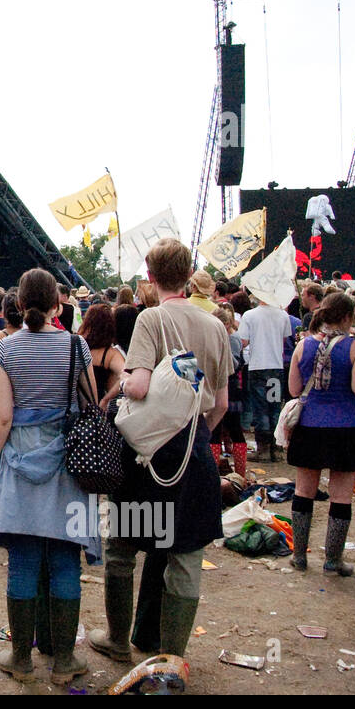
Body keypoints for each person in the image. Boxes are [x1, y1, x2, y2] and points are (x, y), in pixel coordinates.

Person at [89, 239, 231, 665]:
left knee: (122, 549)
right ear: (190, 275)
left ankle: (117, 640)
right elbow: (221, 402)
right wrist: (192, 432)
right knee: (185, 556)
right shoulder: (216, 326)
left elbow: (138, 386)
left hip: (147, 457)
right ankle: (171, 660)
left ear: (150, 276)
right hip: (195, 451)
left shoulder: (152, 318)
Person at [0, 268, 100, 685]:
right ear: (58, 304)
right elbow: (91, 404)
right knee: (65, 559)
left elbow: (3, 416)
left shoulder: (5, 350)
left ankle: (20, 658)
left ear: (16, 304)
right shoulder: (75, 346)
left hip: (20, 464)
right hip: (68, 465)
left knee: (23, 561)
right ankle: (65, 661)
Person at [285, 292, 355, 575]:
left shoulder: (304, 345)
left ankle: (299, 555)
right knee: (341, 495)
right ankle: (333, 560)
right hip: (344, 427)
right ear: (348, 317)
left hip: (309, 425)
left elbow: (294, 390)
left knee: (303, 491)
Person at [238, 292, 292, 462]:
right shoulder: (283, 315)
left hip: (257, 367)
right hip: (276, 367)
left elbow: (243, 341)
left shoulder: (249, 315)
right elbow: (284, 339)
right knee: (274, 406)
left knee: (260, 407)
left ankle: (263, 449)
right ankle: (276, 448)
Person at [209, 303, 248, 479]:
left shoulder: (232, 339)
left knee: (234, 429)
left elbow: (234, 364)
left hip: (230, 386)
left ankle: (240, 475)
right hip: (218, 385)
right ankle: (213, 473)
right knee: (214, 431)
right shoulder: (217, 337)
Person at [76, 302, 125, 408]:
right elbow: (125, 375)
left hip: (72, 407)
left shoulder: (76, 345)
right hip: (96, 408)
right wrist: (106, 399)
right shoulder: (109, 354)